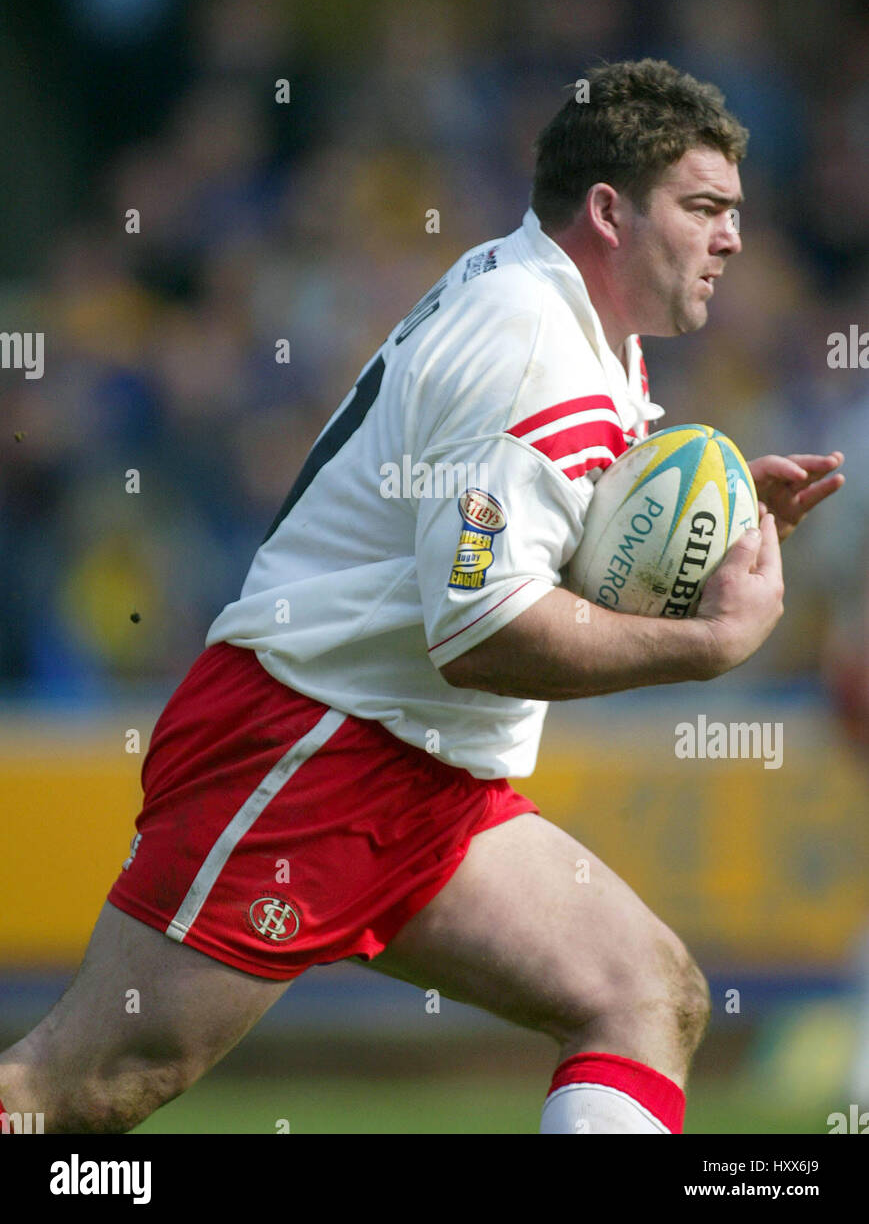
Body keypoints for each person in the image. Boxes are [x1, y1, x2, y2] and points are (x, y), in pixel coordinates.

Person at [0, 59, 844, 1135]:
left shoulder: (571, 320)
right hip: (309, 743)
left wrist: (715, 512)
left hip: (423, 768)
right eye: (703, 209)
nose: (731, 238)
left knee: (642, 994)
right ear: (607, 210)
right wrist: (709, 644)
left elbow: (539, 523)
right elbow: (480, 629)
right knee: (78, 1091)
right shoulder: (531, 345)